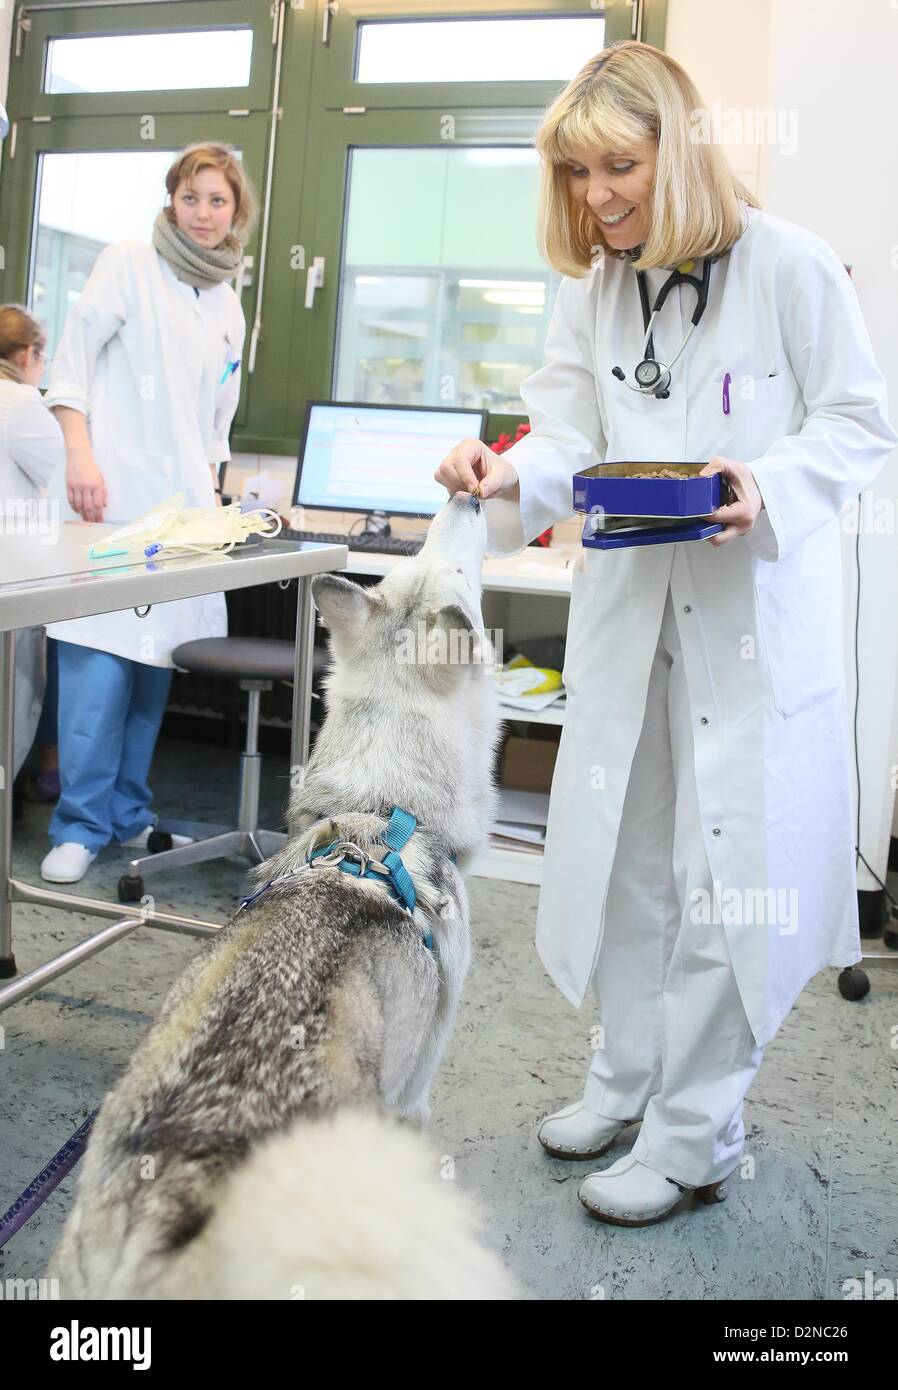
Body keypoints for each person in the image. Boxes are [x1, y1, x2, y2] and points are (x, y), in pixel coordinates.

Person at [435, 41, 897, 1227]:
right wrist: (500, 474)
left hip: (744, 624)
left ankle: (698, 1136)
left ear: (678, 150)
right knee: (628, 867)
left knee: (718, 881)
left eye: (619, 167)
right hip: (630, 619)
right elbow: (562, 433)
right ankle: (626, 1081)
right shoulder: (592, 285)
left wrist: (767, 486)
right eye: (578, 174)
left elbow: (860, 422)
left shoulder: (790, 265)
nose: (596, 197)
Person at [40, 143, 256, 884]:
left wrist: (221, 501)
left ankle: (129, 814)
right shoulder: (128, 261)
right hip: (112, 497)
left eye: (217, 200)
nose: (203, 213)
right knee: (99, 665)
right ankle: (77, 824)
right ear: (171, 202)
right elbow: (69, 367)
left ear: (237, 211)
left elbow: (215, 421)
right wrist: (80, 454)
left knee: (156, 665)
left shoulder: (228, 296)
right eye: (190, 197)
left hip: (185, 515)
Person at [0, 305, 66, 781]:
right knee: (16, 695)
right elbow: (66, 483)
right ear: (27, 354)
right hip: (13, 573)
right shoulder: (23, 403)